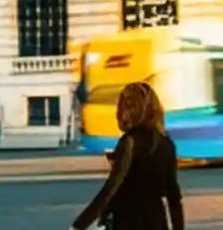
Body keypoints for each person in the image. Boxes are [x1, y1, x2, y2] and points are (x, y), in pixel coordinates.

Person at [71, 82, 184, 230]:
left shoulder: (130, 142)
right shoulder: (167, 145)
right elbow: (173, 197)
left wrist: (79, 225)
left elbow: (111, 188)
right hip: (157, 223)